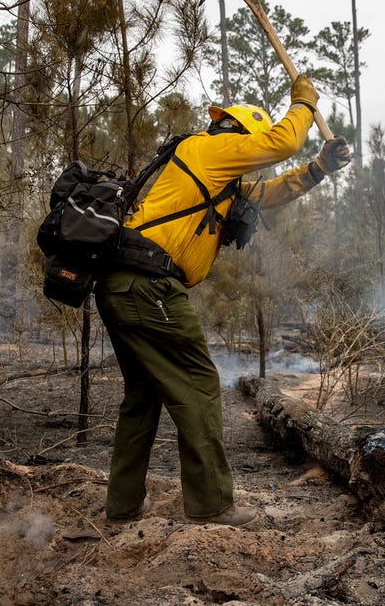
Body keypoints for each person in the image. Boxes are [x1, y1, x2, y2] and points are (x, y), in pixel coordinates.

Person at [96, 74, 351, 527]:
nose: (251, 159)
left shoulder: (216, 180)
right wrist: (305, 104)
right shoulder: (207, 148)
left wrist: (319, 169)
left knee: (143, 396)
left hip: (123, 285)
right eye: (251, 147)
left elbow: (269, 194)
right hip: (148, 284)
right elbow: (283, 142)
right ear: (239, 135)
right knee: (198, 383)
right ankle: (213, 504)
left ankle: (121, 508)